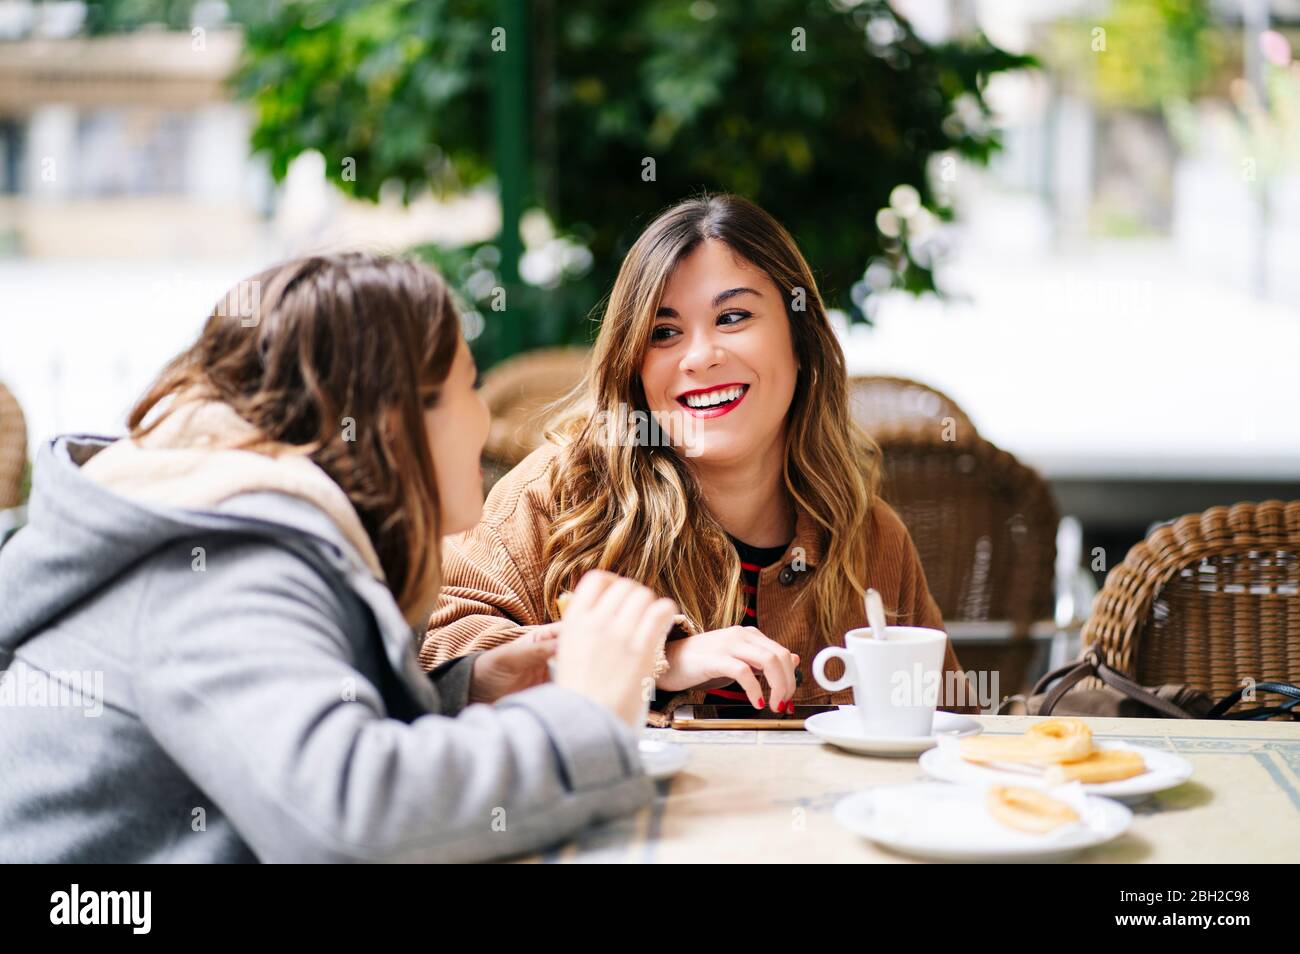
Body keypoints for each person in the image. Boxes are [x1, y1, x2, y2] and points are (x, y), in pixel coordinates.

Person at [0, 252, 675, 862]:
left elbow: (278, 748)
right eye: (468, 387)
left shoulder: (252, 531)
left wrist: (461, 691)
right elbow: (347, 820)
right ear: (392, 419)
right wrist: (582, 721)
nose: (486, 421)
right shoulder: (227, 560)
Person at [422, 194, 977, 723]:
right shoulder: (557, 496)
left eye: (733, 318)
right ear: (633, 364)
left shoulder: (871, 538)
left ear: (801, 341)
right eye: (664, 332)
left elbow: (952, 730)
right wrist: (660, 663)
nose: (699, 357)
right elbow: (436, 663)